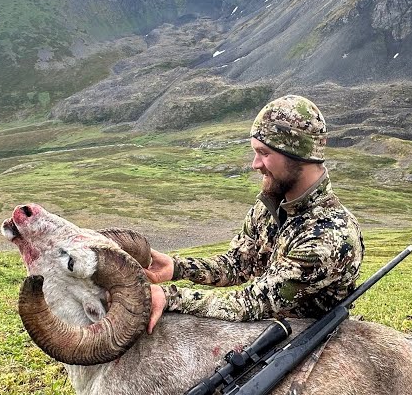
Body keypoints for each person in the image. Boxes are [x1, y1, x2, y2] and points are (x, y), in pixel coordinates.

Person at [144, 95, 364, 329]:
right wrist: (177, 267)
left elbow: (251, 303)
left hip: (314, 346)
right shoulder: (270, 206)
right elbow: (238, 263)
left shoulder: (331, 237)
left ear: (298, 155)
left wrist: (171, 297)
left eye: (264, 153)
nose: (255, 164)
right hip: (269, 332)